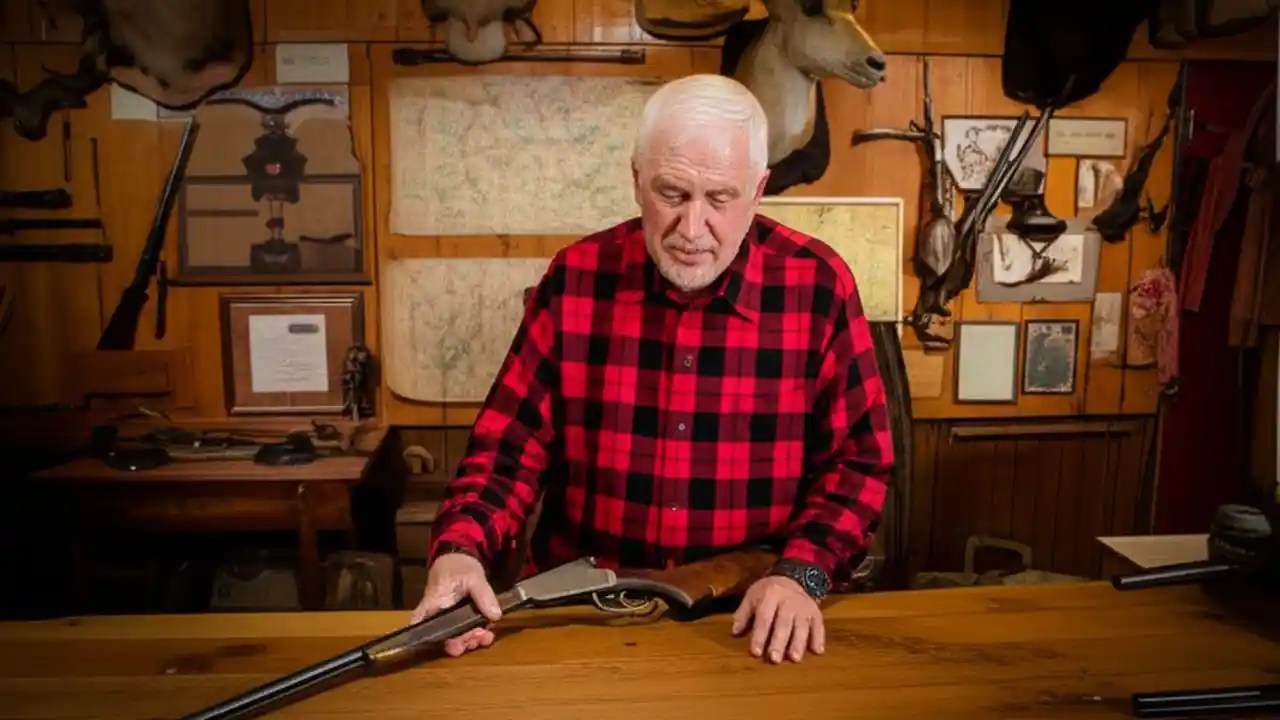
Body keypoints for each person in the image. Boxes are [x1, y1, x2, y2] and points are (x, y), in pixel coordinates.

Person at [411, 73, 894, 665]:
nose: (692, 231)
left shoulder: (818, 285)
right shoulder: (576, 278)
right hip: (583, 611)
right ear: (636, 179)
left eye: (720, 199)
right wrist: (461, 548)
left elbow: (859, 462)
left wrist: (803, 575)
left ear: (759, 189)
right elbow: (508, 448)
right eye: (671, 193)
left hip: (749, 614)